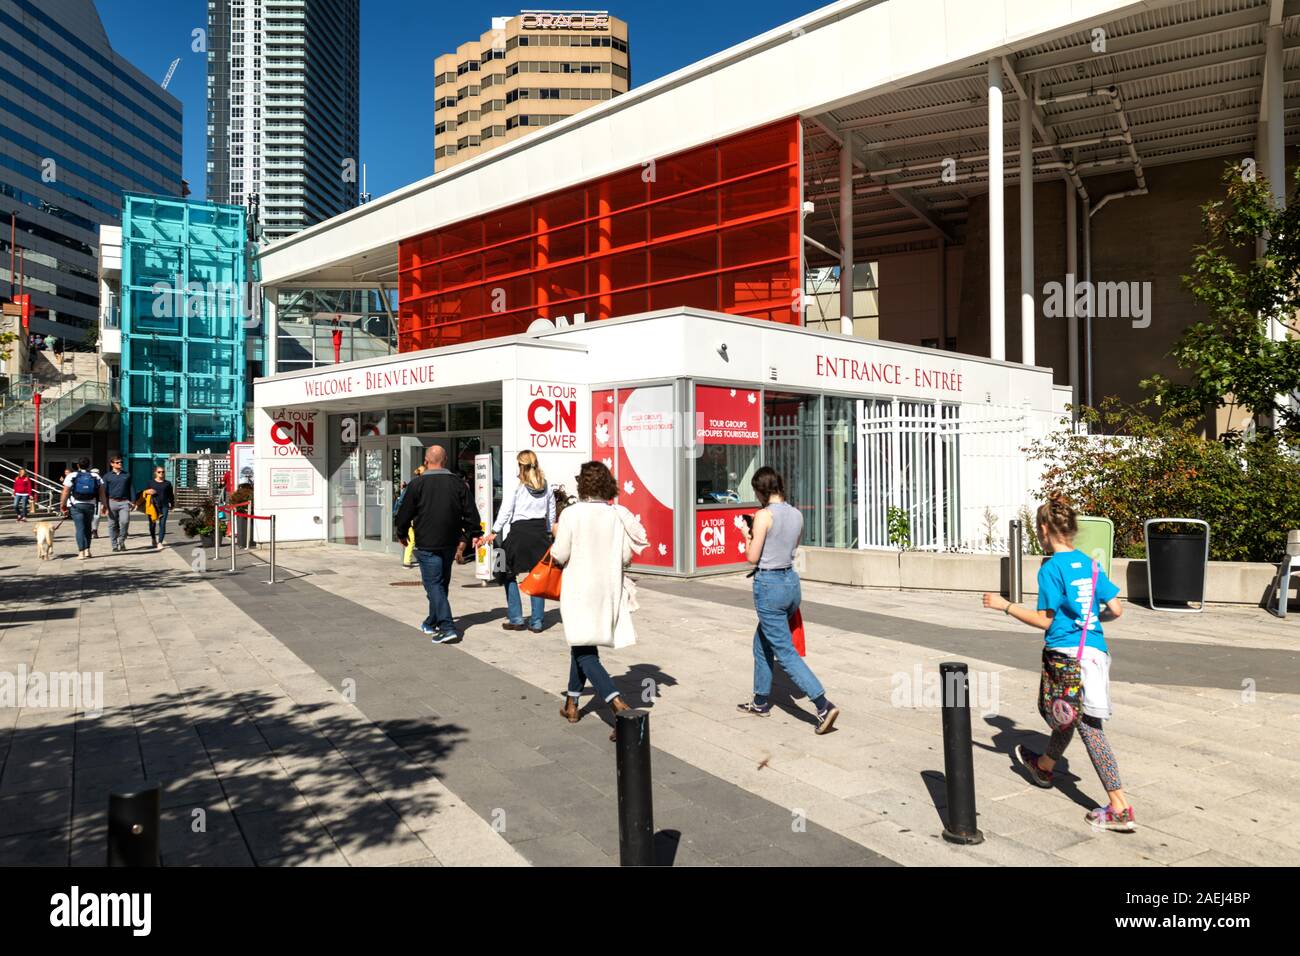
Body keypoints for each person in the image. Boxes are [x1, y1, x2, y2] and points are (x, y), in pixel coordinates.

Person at [982, 493, 1134, 832]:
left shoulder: (1051, 568)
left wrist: (1004, 605)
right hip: (1095, 652)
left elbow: (1045, 620)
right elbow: (1117, 609)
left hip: (1067, 657)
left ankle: (1119, 805)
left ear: (1045, 528)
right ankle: (1045, 765)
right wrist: (1090, 622)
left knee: (1087, 726)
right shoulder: (1089, 563)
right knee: (1072, 715)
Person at [737, 466, 840, 735]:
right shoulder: (796, 514)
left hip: (769, 585)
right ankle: (760, 701)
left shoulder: (763, 516)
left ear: (761, 490)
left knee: (784, 650)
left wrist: (745, 534)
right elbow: (790, 547)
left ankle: (822, 705)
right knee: (762, 643)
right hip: (791, 584)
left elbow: (752, 556)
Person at [550, 461, 647, 740]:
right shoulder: (616, 514)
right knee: (582, 644)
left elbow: (559, 554)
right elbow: (626, 556)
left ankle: (617, 704)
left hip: (579, 587)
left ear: (582, 485)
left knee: (584, 649)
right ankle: (571, 703)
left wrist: (557, 534)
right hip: (606, 587)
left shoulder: (570, 514)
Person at [394, 445, 481, 643]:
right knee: (440, 584)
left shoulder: (417, 484)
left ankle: (447, 626)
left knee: (434, 584)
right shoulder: (458, 484)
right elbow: (471, 512)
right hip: (450, 542)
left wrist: (401, 533)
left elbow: (404, 513)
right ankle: (431, 621)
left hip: (427, 543)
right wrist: (472, 533)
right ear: (446, 459)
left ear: (426, 460)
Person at [481, 450, 555, 633]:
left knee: (507, 572)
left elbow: (505, 512)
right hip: (539, 534)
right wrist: (547, 533)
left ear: (521, 466)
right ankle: (537, 622)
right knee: (537, 576)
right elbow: (551, 514)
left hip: (519, 534)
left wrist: (493, 532)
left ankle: (516, 618)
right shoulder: (546, 487)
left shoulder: (517, 487)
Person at [59, 457, 107, 559]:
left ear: (78, 465)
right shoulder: (95, 476)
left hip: (76, 505)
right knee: (88, 527)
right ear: (89, 465)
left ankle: (81, 552)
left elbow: (66, 492)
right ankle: (87, 550)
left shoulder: (72, 475)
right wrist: (105, 505)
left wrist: (62, 505)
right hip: (90, 505)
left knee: (79, 528)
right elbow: (102, 493)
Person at [102, 456, 134, 552]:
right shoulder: (107, 476)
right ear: (112, 464)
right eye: (117, 462)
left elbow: (131, 488)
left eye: (121, 462)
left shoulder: (127, 475)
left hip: (124, 502)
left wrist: (133, 501)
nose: (120, 464)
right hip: (111, 502)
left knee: (125, 522)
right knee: (112, 524)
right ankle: (114, 545)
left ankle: (122, 541)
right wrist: (104, 505)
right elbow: (104, 491)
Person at [396, 465, 425, 569]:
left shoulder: (412, 484)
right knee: (411, 539)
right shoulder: (419, 485)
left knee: (413, 538)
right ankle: (407, 562)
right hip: (413, 518)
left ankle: (411, 560)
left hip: (412, 517)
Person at [142, 465, 176, 550]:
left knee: (162, 524)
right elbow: (145, 493)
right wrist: (148, 491)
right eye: (159, 472)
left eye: (163, 472)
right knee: (152, 525)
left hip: (164, 506)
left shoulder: (167, 483)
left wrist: (172, 504)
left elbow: (170, 495)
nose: (161, 473)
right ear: (155, 473)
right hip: (153, 506)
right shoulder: (150, 482)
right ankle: (153, 538)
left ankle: (160, 542)